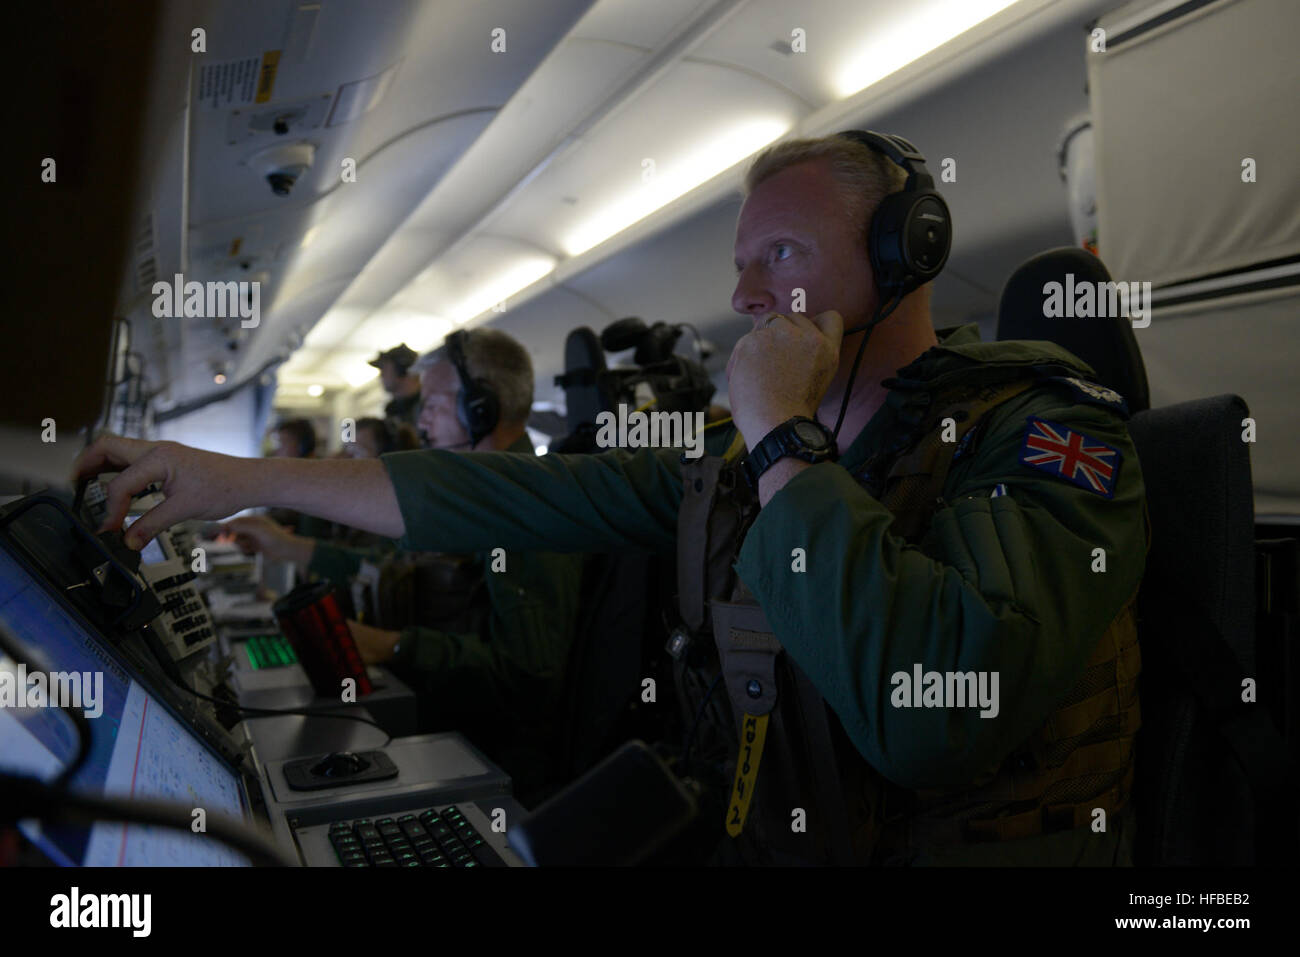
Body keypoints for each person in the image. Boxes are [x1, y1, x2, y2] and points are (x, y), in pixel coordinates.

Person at [75, 131, 1146, 866]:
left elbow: (939, 715)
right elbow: (509, 501)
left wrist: (784, 432)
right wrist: (229, 480)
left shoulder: (1042, 430)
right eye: (742, 264)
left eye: (781, 253)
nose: (744, 296)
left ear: (904, 254)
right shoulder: (731, 455)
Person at [227, 329, 586, 805]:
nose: (423, 418)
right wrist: (291, 546)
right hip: (448, 731)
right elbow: (391, 567)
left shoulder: (525, 512)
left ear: (482, 407)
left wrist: (393, 644)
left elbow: (527, 676)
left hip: (493, 760)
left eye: (436, 402)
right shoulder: (473, 494)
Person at [369, 344, 422, 430]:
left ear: (402, 369)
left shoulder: (431, 404)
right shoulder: (392, 410)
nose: (381, 376)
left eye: (384, 369)